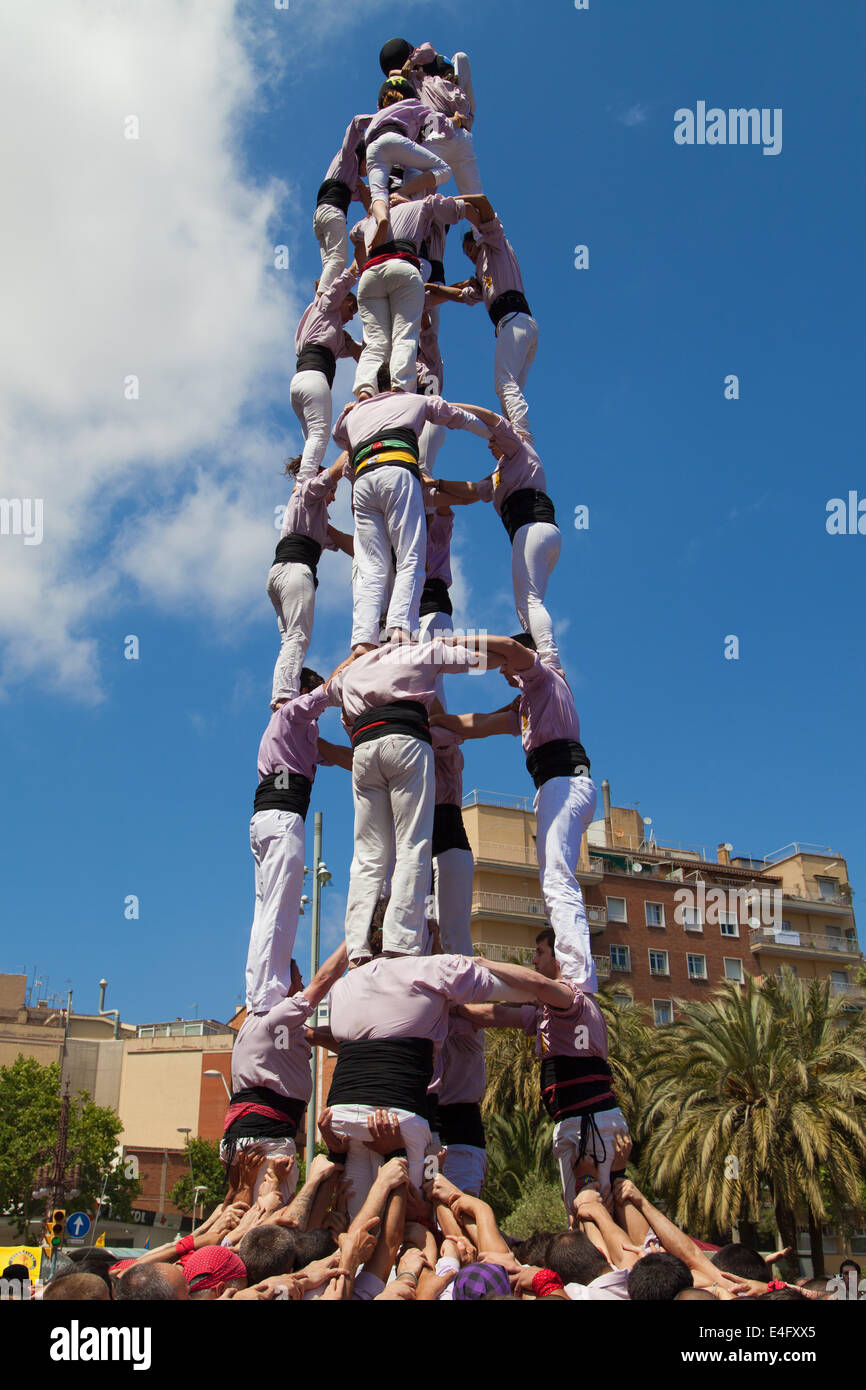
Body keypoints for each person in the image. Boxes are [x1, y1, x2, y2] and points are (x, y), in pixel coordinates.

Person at [321, 945, 540, 1211]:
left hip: (460, 1130)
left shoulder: (463, 1018)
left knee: (455, 1206)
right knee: (422, 1197)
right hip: (427, 1118)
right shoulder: (415, 1011)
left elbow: (483, 1011)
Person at [433, 633, 592, 970]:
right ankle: (573, 968)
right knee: (553, 880)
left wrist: (450, 642)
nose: (501, 672)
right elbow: (478, 725)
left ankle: (577, 975)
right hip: (554, 785)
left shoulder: (544, 677)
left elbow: (510, 647)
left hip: (564, 781)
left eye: (504, 667)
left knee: (557, 880)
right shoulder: (526, 705)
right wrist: (430, 718)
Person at [328, 636, 482, 962]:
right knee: (411, 856)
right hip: (424, 811)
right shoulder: (417, 659)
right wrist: (515, 657)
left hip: (442, 831)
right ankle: (398, 940)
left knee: (371, 859)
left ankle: (360, 943)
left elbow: (329, 688)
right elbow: (475, 660)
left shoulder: (360, 676)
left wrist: (357, 654)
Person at [332, 388, 492, 651]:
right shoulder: (414, 399)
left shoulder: (358, 411)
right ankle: (400, 628)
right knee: (410, 556)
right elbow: (456, 416)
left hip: (363, 481)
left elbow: (339, 437)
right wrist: (490, 433)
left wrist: (350, 410)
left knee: (371, 566)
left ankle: (363, 639)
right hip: (396, 471)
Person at [246, 665, 351, 1012]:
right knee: (282, 907)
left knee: (267, 908)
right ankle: (269, 993)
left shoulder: (303, 736)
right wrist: (362, 654)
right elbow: (327, 691)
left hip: (269, 820)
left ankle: (259, 989)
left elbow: (340, 757)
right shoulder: (290, 716)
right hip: (281, 818)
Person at [222, 941, 348, 1197]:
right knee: (267, 1218)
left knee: (237, 1213)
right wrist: (356, 935)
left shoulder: (262, 1024)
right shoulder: (277, 1017)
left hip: (246, 1135)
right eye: (298, 980)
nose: (301, 986)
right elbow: (324, 979)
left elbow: (338, 1043)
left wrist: (315, 1036)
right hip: (267, 1138)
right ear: (280, 983)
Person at [441, 406, 561, 665]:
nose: (489, 446)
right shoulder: (501, 474)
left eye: (493, 441)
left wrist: (450, 407)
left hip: (532, 526)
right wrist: (435, 484)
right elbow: (472, 492)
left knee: (529, 601)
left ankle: (550, 660)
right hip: (537, 532)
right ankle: (536, 652)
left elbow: (492, 419)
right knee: (528, 605)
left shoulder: (518, 450)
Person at [435, 193, 537, 440]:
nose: (470, 255)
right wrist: (434, 289)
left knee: (503, 382)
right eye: (467, 253)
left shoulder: (494, 245)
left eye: (471, 248)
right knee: (508, 395)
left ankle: (522, 435)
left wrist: (452, 203)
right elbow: (464, 294)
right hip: (518, 324)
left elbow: (481, 204)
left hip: (514, 320)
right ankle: (515, 438)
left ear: (478, 240)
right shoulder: (484, 274)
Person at [349, 192, 468, 399]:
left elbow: (355, 236)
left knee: (375, 342)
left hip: (370, 274)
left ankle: (364, 391)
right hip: (402, 267)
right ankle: (400, 388)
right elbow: (446, 210)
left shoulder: (369, 221)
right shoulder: (416, 207)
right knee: (404, 334)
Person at [268, 454, 352, 707]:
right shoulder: (308, 493)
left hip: (279, 574)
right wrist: (355, 441)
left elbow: (346, 543)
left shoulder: (314, 519)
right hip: (296, 571)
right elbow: (335, 471)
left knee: (291, 639)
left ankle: (284, 692)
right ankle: (284, 696)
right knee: (298, 637)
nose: (334, 497)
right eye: (333, 491)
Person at [362, 78, 450, 250]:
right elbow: (435, 118)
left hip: (373, 148)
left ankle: (382, 220)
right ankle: (402, 193)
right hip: (394, 138)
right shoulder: (410, 104)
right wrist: (449, 127)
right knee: (444, 170)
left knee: (378, 194)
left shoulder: (377, 115)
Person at [290, 266, 361, 479]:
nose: (350, 318)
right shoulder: (325, 306)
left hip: (300, 383)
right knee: (319, 436)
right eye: (351, 310)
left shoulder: (336, 335)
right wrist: (355, 268)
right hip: (314, 379)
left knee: (313, 441)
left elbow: (362, 354)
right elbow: (341, 285)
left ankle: (307, 478)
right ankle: (303, 486)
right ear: (343, 302)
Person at [315, 114, 373, 292]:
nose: (368, 169)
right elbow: (356, 123)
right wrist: (382, 120)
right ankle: (321, 300)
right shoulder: (349, 158)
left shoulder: (352, 179)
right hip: (332, 211)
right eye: (369, 163)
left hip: (321, 216)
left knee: (331, 266)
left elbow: (367, 199)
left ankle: (324, 297)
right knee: (338, 259)